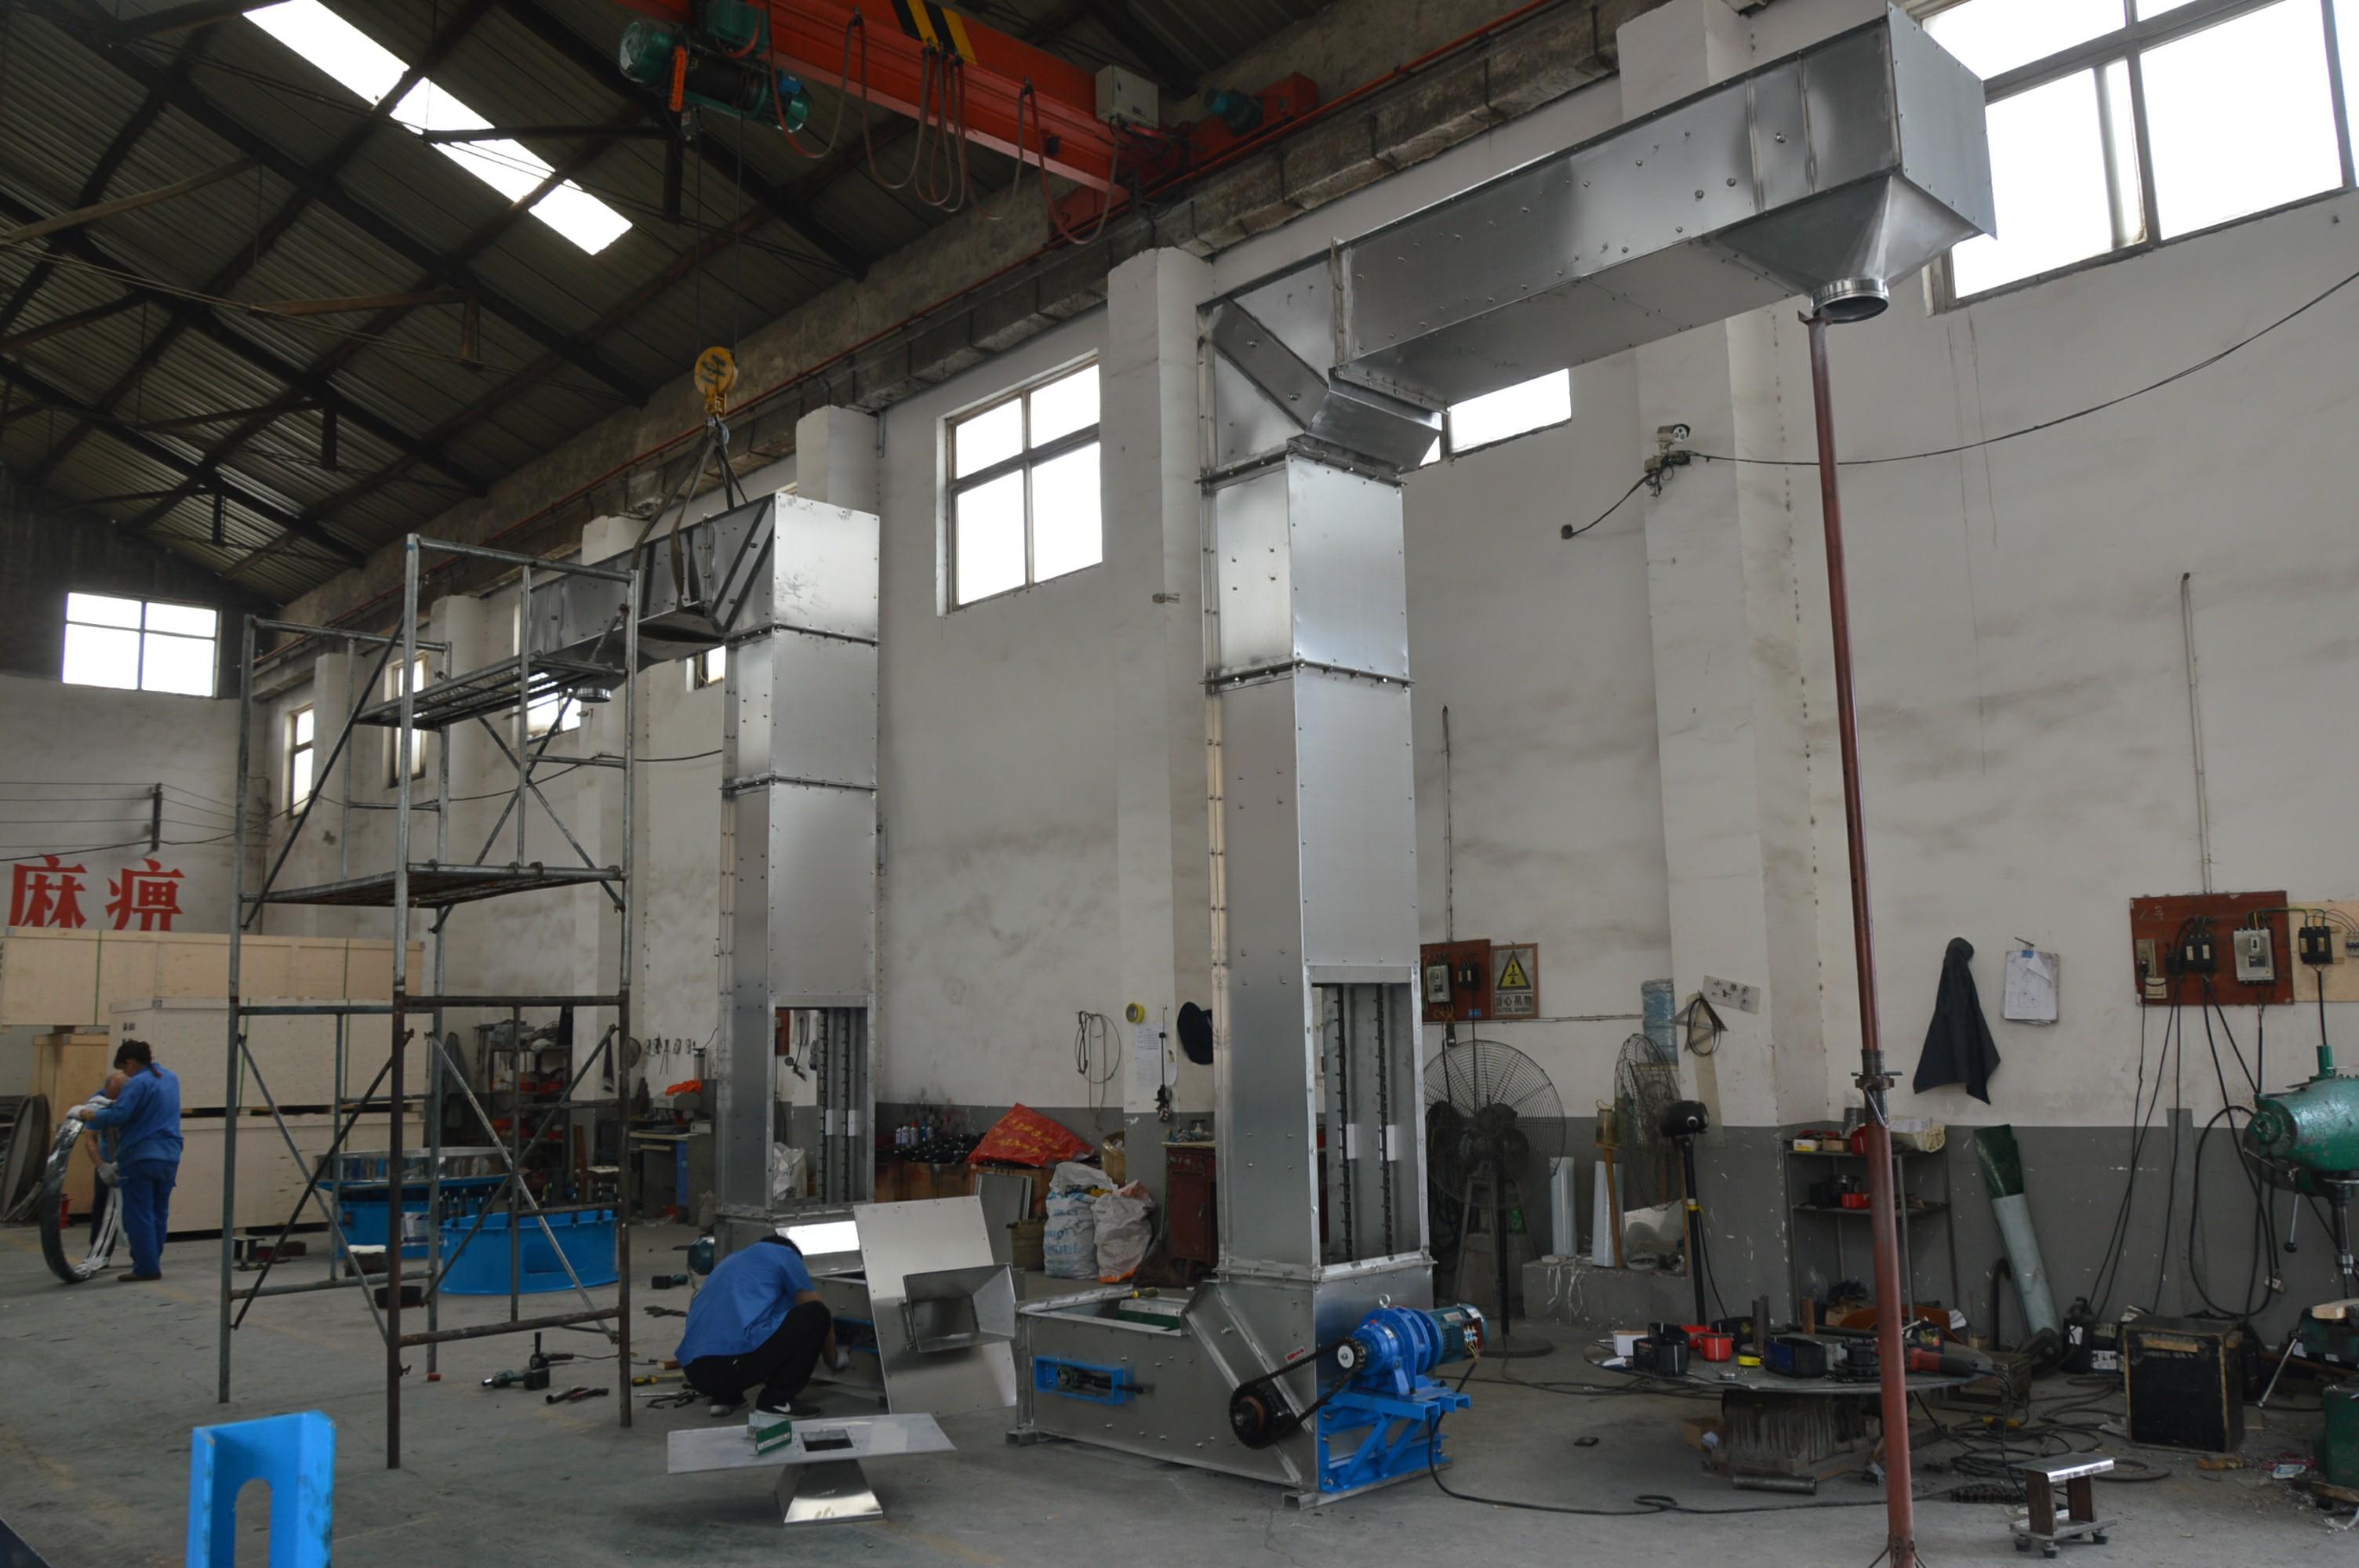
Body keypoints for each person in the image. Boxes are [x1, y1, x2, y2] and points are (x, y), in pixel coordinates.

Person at [675, 1235, 847, 1416]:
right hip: (731, 1367)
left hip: (695, 1372)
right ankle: (777, 1401)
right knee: (816, 1313)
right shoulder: (785, 1254)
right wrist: (833, 1358)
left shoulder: (731, 1262)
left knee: (738, 1329)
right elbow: (812, 1302)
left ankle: (725, 1398)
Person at [72, 1039, 182, 1282]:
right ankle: (152, 1259)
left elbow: (119, 1115)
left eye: (124, 1068)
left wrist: (86, 1114)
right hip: (169, 1155)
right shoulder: (171, 1078)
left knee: (138, 1214)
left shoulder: (138, 1082)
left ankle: (146, 1268)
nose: (125, 1074)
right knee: (159, 1211)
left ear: (130, 1063)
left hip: (141, 1156)